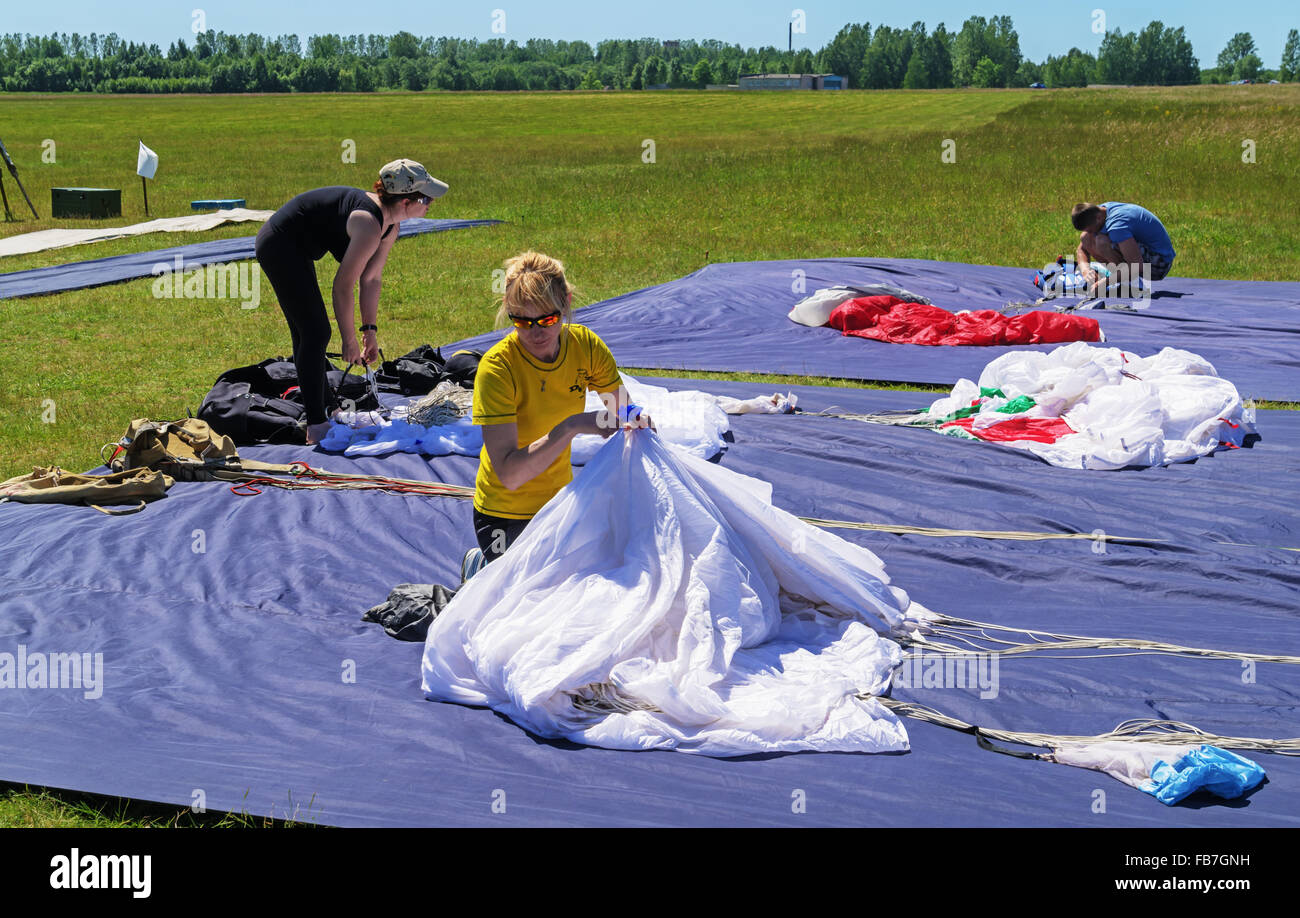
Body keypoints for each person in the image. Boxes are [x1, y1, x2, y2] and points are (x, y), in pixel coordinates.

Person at [462, 251, 653, 580]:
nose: (535, 333)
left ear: (565, 304)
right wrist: (572, 426)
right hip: (504, 513)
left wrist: (635, 417)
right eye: (521, 321)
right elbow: (509, 474)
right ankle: (481, 563)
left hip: (560, 505)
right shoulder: (497, 368)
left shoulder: (585, 346)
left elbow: (623, 408)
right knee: (526, 604)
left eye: (547, 320)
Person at [255, 159, 447, 444]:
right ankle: (316, 423)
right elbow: (343, 286)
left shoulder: (389, 226)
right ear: (407, 201)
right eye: (427, 198)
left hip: (300, 246)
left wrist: (369, 332)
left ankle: (326, 408)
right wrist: (348, 340)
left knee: (310, 332)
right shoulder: (368, 223)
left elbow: (370, 279)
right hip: (279, 243)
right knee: (315, 331)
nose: (430, 204)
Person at [1071, 201, 1176, 293]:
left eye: (1090, 229)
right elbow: (1081, 249)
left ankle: (1129, 282)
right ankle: (1122, 277)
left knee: (1101, 241)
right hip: (1145, 256)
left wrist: (1105, 282)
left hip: (1160, 264)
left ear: (1098, 218)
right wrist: (1086, 271)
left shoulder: (1117, 225)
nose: (1090, 233)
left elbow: (1136, 266)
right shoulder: (1099, 211)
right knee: (1085, 238)